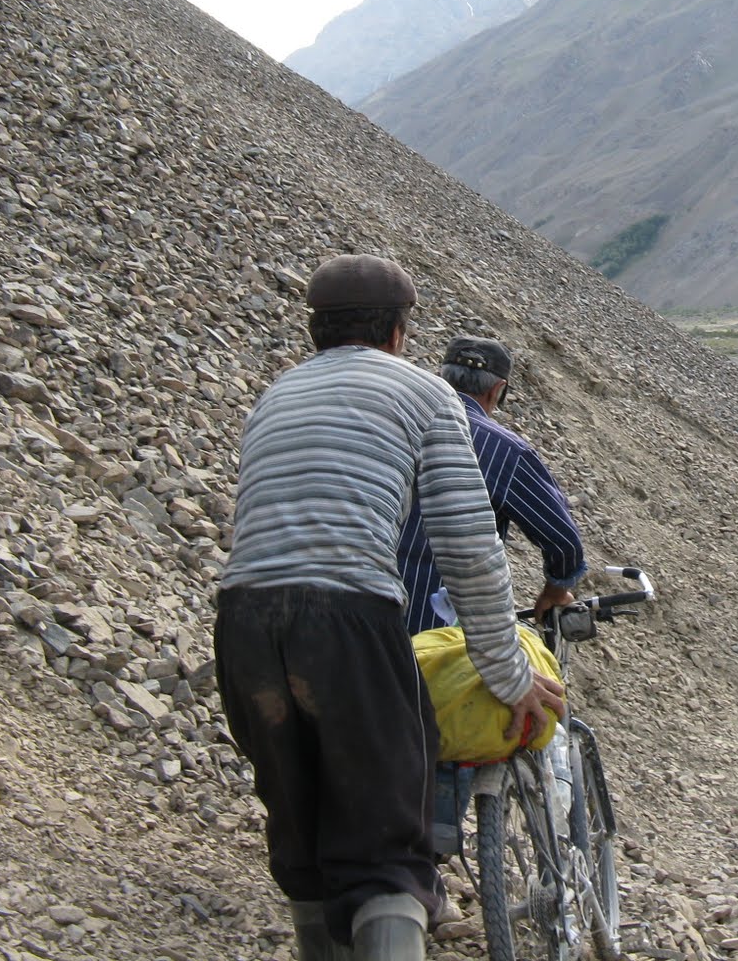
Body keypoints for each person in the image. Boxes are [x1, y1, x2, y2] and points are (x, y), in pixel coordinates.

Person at [214, 254, 565, 961]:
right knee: (386, 851)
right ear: (399, 332)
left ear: (315, 329)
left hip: (244, 623)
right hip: (347, 622)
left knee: (302, 832)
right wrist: (506, 673)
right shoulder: (424, 394)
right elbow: (469, 547)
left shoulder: (277, 395)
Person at [396, 335, 587, 856]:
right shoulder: (503, 449)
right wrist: (557, 588)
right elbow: (563, 543)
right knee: (459, 703)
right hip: (434, 622)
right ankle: (436, 830)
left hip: (359, 606)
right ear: (498, 390)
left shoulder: (392, 424)